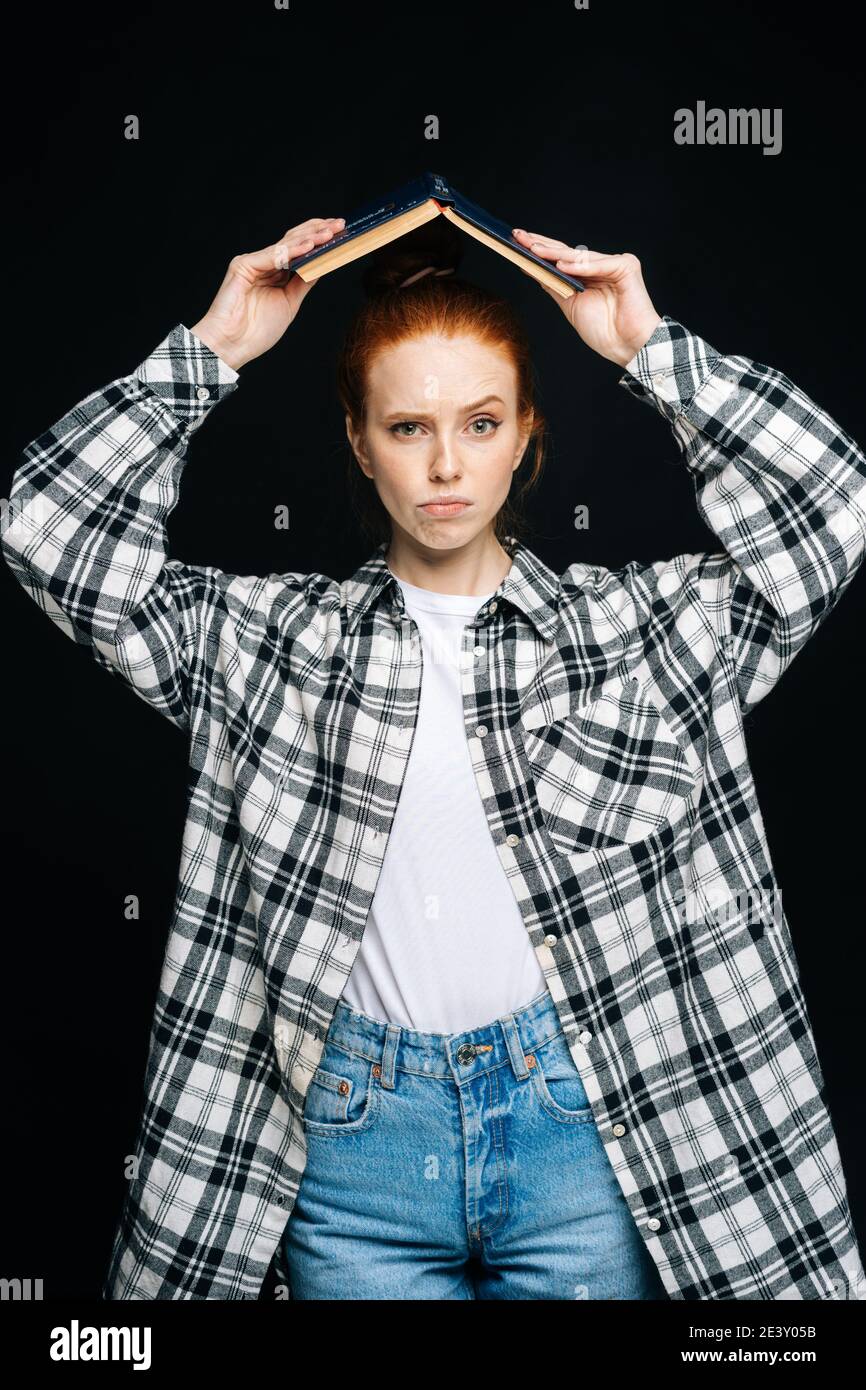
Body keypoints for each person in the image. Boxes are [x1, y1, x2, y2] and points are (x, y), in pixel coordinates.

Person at [3, 208, 865, 1302]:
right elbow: (46, 529)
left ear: (524, 431)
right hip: (353, 1146)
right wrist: (211, 348)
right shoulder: (265, 641)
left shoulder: (650, 632)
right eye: (408, 428)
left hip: (578, 1128)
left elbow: (831, 506)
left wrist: (651, 349)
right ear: (359, 444)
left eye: (480, 421)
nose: (447, 464)